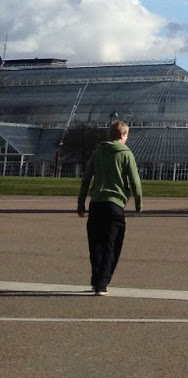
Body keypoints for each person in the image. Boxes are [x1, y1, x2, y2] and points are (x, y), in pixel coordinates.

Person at [77, 120, 143, 294]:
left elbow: (86, 179)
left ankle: (96, 280)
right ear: (122, 135)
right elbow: (135, 181)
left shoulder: (98, 152)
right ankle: (102, 284)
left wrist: (81, 203)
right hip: (115, 205)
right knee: (111, 245)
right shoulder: (126, 154)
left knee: (96, 244)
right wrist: (138, 203)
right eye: (127, 135)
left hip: (96, 204)